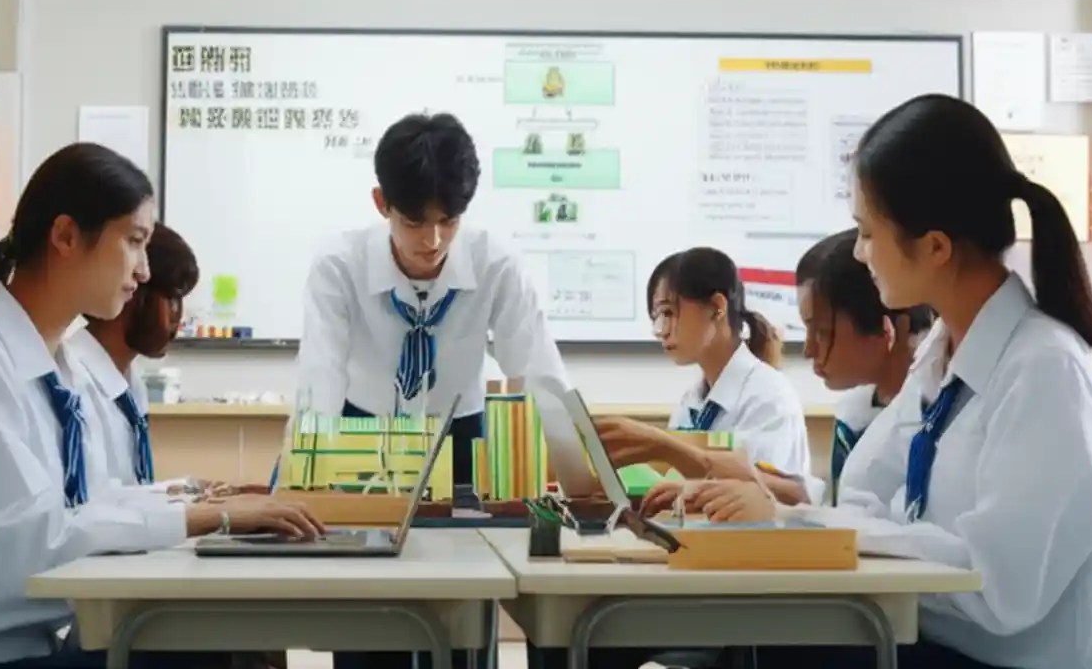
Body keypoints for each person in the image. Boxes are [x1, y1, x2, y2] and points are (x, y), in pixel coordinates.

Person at [650, 95, 1092, 669]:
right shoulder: (942, 356)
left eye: (866, 232)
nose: (859, 253)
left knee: (763, 648)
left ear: (934, 247)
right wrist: (793, 523)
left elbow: (1000, 584)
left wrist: (794, 526)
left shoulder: (1044, 369)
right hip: (920, 636)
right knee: (742, 641)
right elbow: (863, 494)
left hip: (991, 659)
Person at [0, 143, 324, 669]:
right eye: (134, 241)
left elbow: (96, 505)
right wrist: (210, 516)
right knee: (211, 651)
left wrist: (197, 505)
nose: (145, 270)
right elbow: (39, 543)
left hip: (34, 645)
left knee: (222, 636)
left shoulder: (58, 366)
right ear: (65, 236)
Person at [298, 113, 566, 669]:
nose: (434, 240)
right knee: (372, 616)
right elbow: (319, 379)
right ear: (381, 203)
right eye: (416, 221)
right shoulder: (338, 265)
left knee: (462, 611)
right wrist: (311, 479)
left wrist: (577, 471)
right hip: (361, 432)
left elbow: (540, 371)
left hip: (461, 435)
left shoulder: (497, 264)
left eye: (450, 220)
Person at [594, 247, 821, 507]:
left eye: (668, 313)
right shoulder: (692, 401)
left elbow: (776, 496)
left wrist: (668, 453)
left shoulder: (768, 395)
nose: (660, 331)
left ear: (716, 307)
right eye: (657, 318)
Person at [67, 222, 266, 500]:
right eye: (172, 299)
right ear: (134, 293)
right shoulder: (72, 383)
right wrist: (209, 514)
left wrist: (194, 490)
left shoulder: (130, 383)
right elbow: (93, 507)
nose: (179, 317)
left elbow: (128, 493)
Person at [795, 228, 934, 504]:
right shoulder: (853, 414)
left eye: (822, 332)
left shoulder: (935, 415)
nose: (808, 350)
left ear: (889, 330)